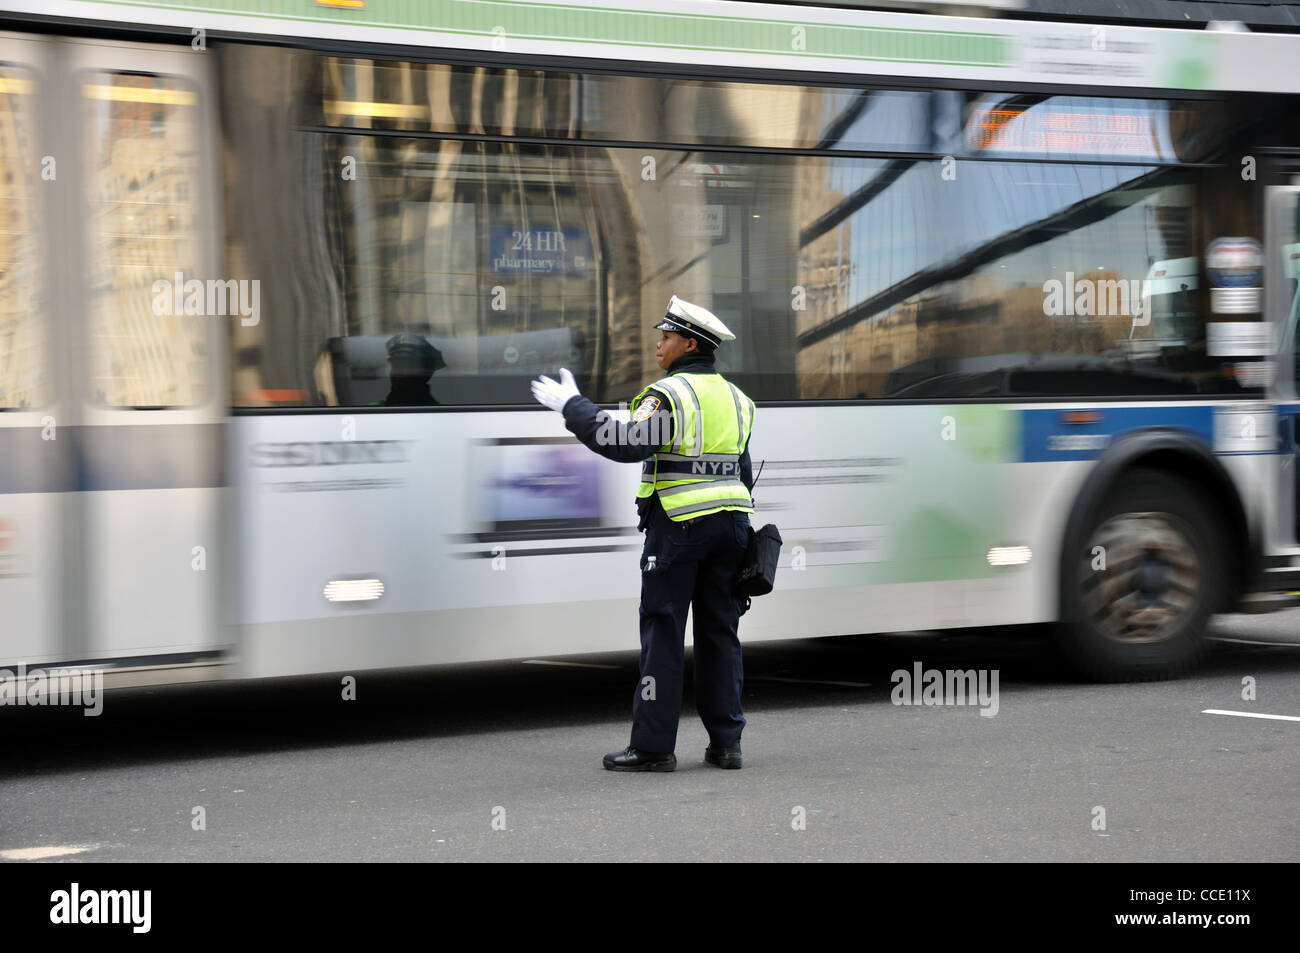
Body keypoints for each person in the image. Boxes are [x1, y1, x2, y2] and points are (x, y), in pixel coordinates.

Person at [531, 295, 756, 772]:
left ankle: (654, 748)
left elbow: (625, 443)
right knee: (720, 635)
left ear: (689, 343)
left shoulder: (670, 395)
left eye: (666, 336)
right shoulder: (739, 399)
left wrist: (573, 407)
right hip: (733, 526)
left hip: (680, 526)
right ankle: (727, 744)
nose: (658, 344)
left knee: (664, 631)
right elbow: (743, 470)